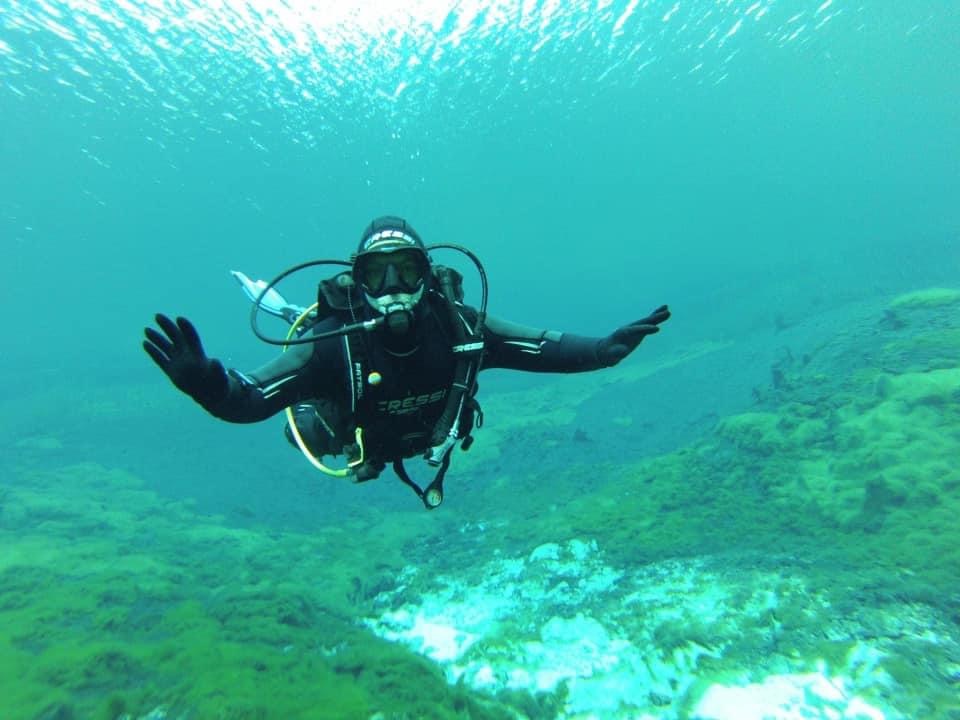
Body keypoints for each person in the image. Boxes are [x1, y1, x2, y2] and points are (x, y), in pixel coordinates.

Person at [143, 216, 670, 508]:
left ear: (427, 275)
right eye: (377, 274)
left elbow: (542, 348)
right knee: (301, 429)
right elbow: (248, 401)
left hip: (425, 436)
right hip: (358, 438)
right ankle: (288, 315)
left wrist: (603, 351)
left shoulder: (460, 328)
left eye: (406, 271)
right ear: (358, 283)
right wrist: (208, 385)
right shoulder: (331, 346)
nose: (393, 287)